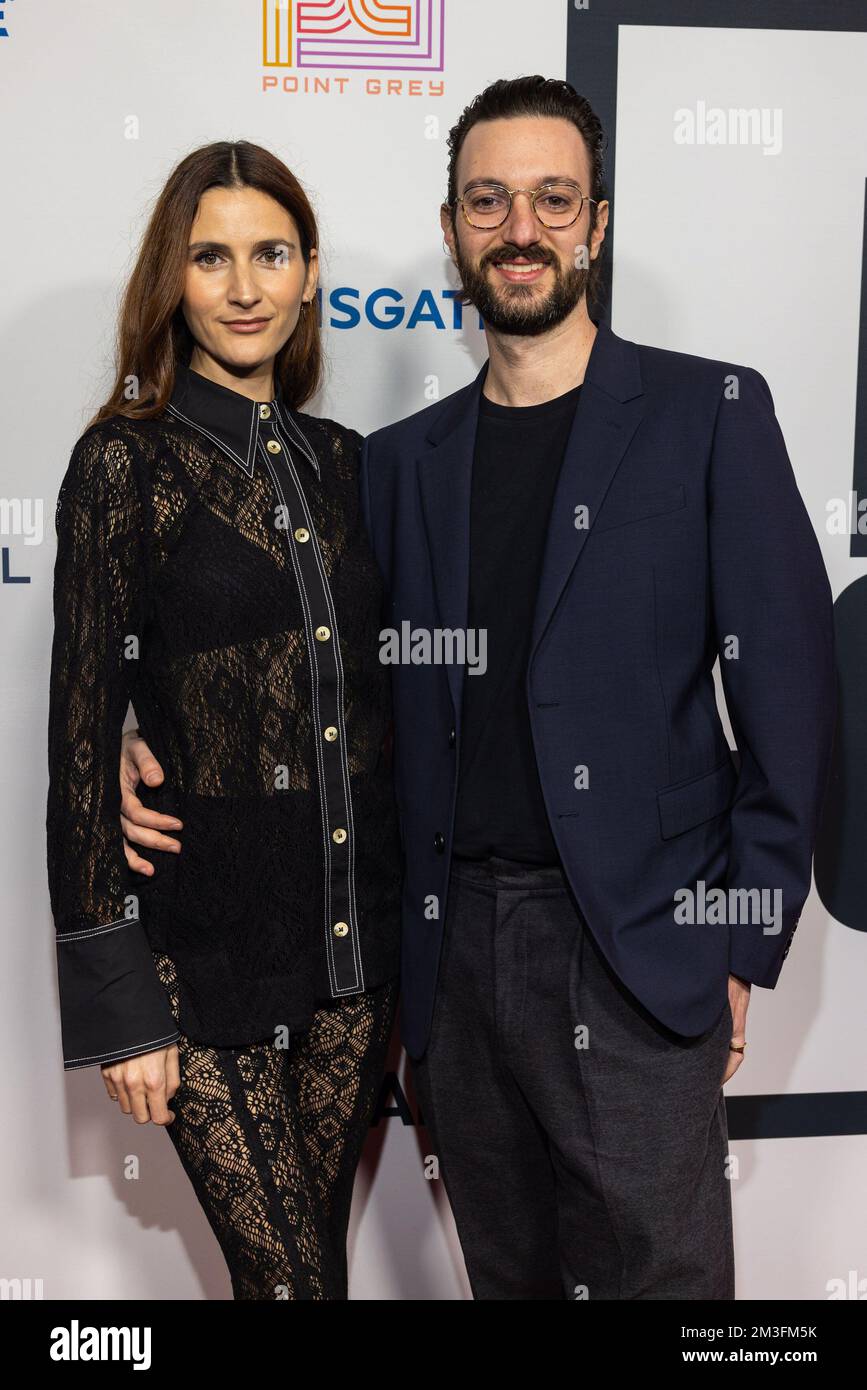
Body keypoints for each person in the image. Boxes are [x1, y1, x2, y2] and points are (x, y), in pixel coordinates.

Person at [121, 78, 836, 1300]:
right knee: (507, 1278)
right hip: (450, 958)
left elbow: (794, 693)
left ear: (597, 225)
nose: (521, 228)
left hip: (637, 947)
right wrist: (151, 722)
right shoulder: (393, 466)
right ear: (450, 227)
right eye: (489, 200)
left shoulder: (709, 414)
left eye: (553, 200)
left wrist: (742, 932)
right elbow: (313, 660)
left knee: (666, 1289)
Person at [46, 140, 402, 1300]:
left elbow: (375, 696)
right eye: (212, 257)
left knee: (307, 1284)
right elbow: (83, 734)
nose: (244, 287)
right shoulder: (124, 465)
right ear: (173, 277)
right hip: (198, 956)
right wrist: (119, 1003)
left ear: (309, 274)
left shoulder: (347, 465)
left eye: (270, 254)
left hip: (351, 945)